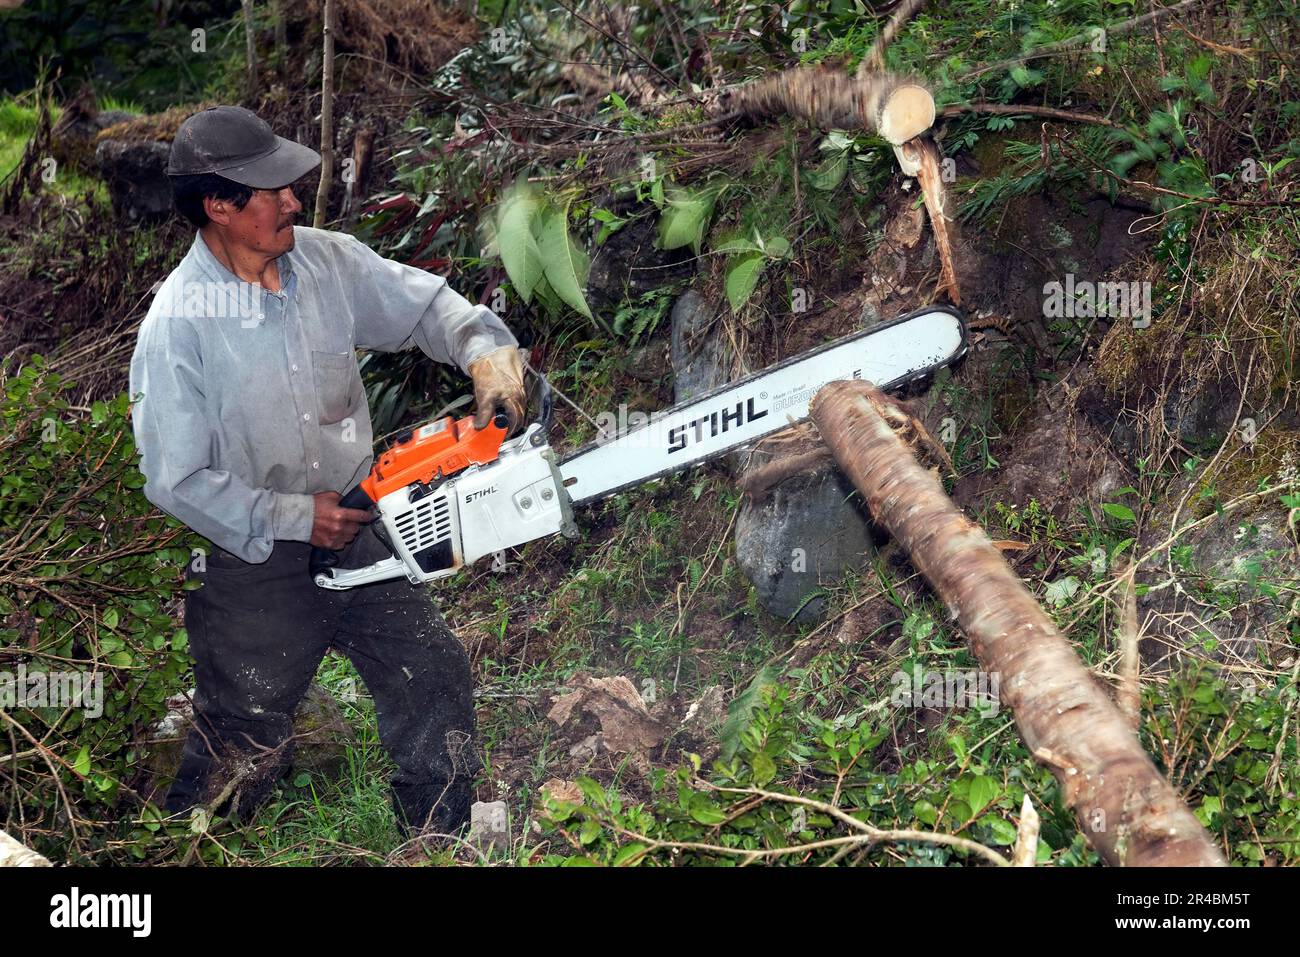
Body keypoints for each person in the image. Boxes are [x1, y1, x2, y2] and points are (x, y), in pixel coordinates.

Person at [128, 105, 526, 837]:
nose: (292, 198)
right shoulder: (178, 326)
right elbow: (174, 477)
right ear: (218, 204)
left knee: (430, 668)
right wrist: (293, 515)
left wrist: (482, 348)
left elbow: (424, 307)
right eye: (271, 188)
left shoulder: (326, 262)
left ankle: (437, 832)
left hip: (361, 526)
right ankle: (180, 848)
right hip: (254, 557)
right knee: (241, 737)